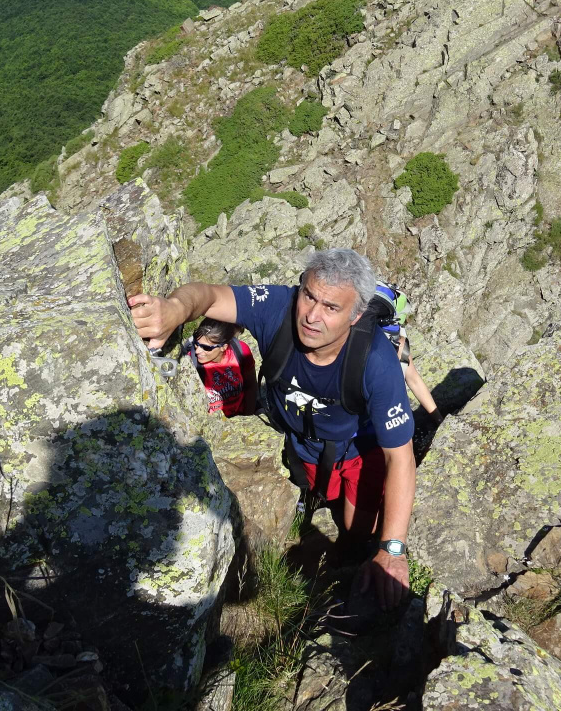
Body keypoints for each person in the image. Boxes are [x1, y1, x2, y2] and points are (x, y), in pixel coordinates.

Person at [129, 248, 415, 611]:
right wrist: (175, 309)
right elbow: (210, 295)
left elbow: (400, 457)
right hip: (301, 444)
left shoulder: (376, 360)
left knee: (355, 531)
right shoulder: (279, 307)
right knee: (314, 494)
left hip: (357, 452)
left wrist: (392, 549)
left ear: (356, 315)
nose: (312, 315)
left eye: (331, 308)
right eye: (309, 296)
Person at [371, 284, 445, 432]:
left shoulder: (393, 337)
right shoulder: (391, 342)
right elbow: (413, 379)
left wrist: (439, 420)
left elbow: (413, 379)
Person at [186, 318, 257, 418]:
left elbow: (251, 385)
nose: (197, 351)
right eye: (196, 344)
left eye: (206, 348)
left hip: (240, 416)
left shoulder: (241, 351)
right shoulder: (191, 363)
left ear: (224, 346)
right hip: (214, 425)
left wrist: (247, 417)